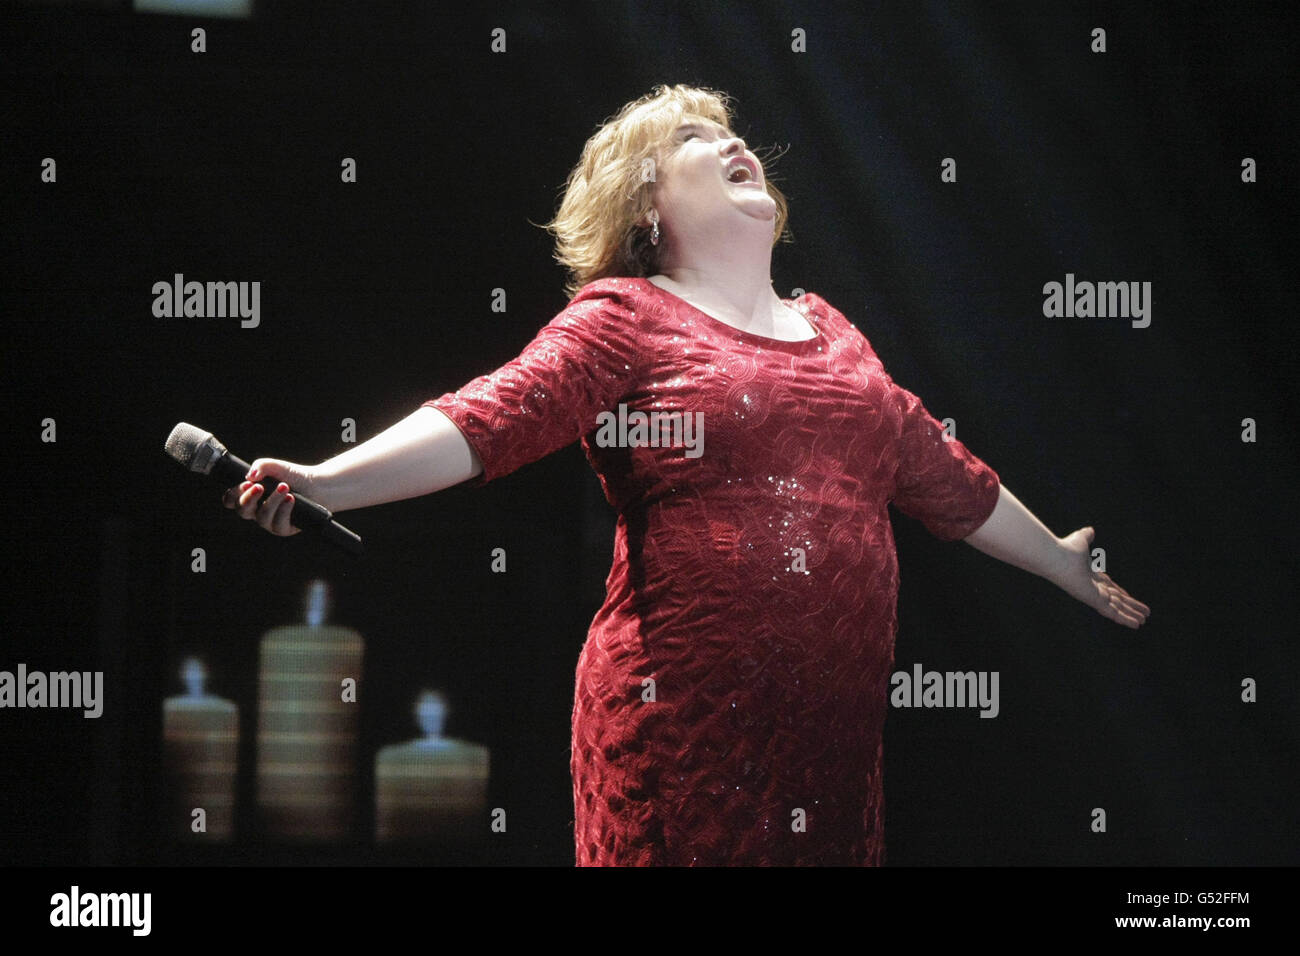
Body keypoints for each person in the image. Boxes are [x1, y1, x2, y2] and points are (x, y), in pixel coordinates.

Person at [222, 84, 1150, 866]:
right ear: (645, 207)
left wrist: (1061, 561)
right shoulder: (626, 315)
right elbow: (491, 417)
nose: (734, 142)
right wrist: (325, 480)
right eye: (695, 141)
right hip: (683, 732)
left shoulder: (838, 334)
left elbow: (947, 477)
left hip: (830, 759)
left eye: (733, 133)